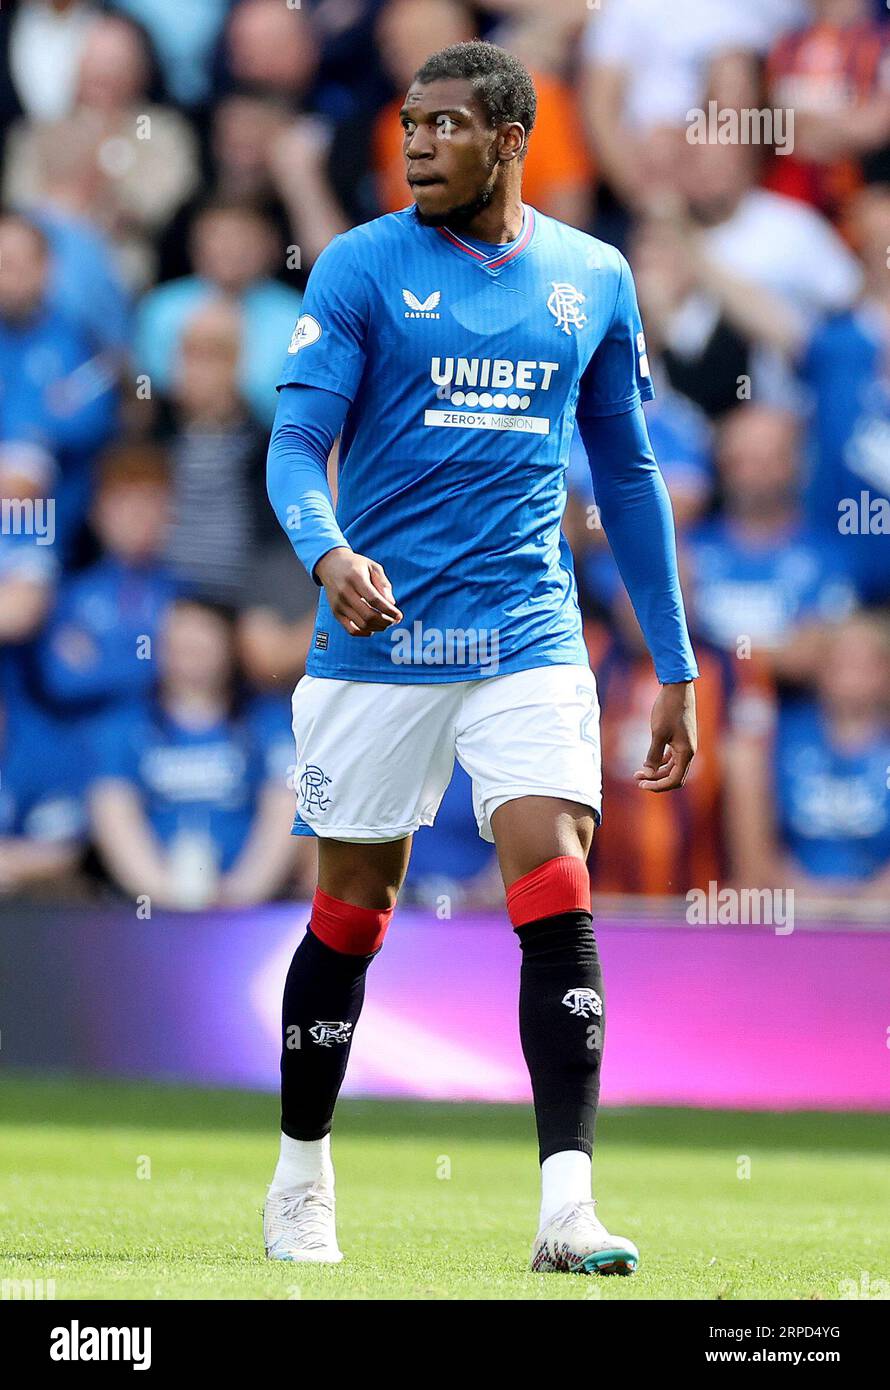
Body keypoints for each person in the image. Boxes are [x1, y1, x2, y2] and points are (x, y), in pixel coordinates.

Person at [265, 41, 699, 1275]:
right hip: (380, 633)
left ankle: (566, 1204)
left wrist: (671, 663)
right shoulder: (358, 267)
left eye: (443, 126)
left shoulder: (591, 275)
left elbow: (625, 471)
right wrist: (327, 552)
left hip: (526, 628)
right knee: (355, 907)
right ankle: (301, 1175)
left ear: (511, 136)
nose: (414, 145)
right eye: (407, 124)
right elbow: (295, 445)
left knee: (553, 874)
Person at [89, 597, 304, 910]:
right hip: (150, 904)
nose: (190, 652)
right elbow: (111, 809)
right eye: (179, 643)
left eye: (202, 641)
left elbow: (285, 804)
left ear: (229, 647)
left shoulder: (264, 722)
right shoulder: (126, 726)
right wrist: (161, 892)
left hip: (249, 906)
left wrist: (244, 891)